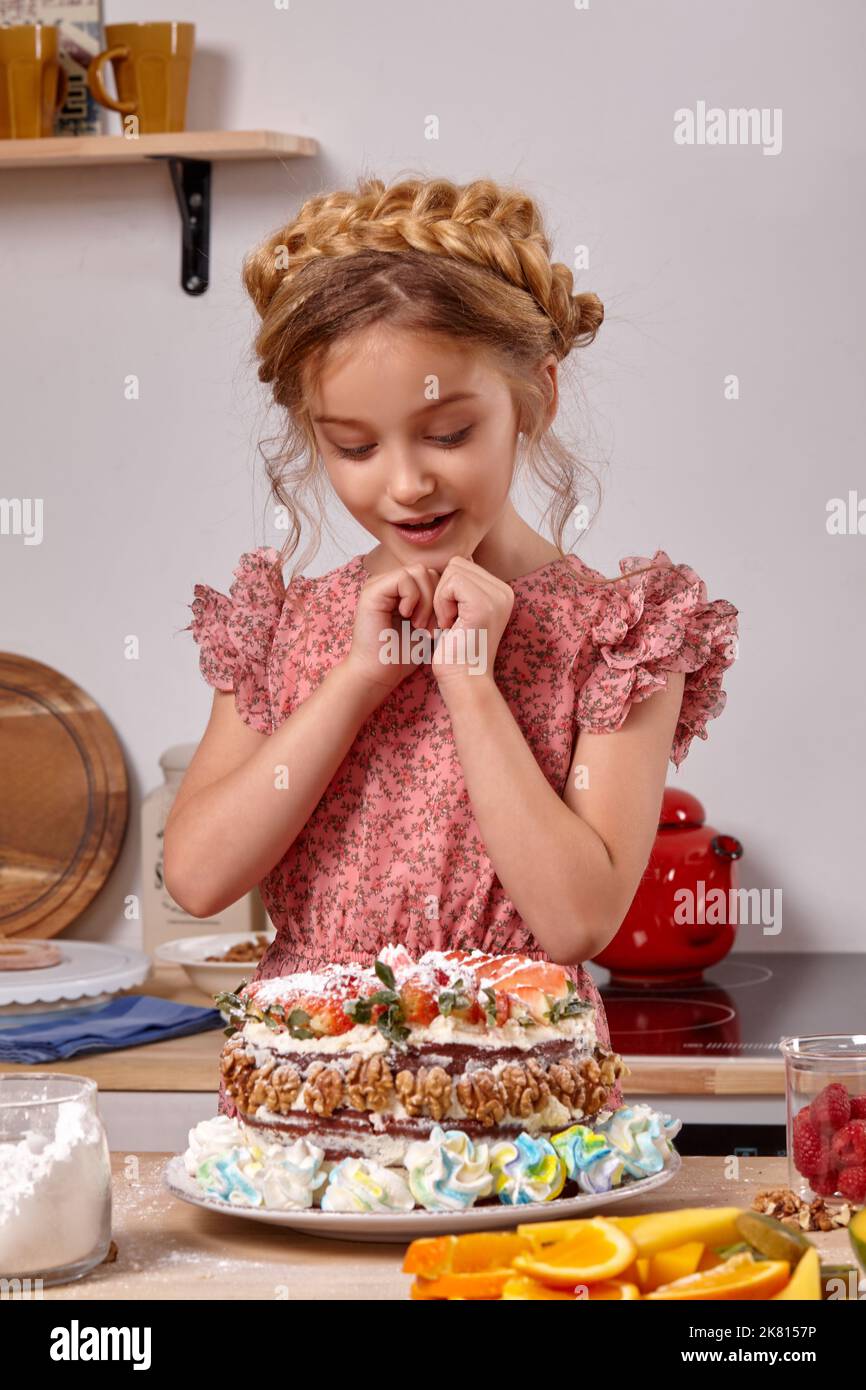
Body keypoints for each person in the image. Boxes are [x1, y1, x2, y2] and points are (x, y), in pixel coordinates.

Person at [164, 174, 739, 1119]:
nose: (405, 484)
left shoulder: (621, 637)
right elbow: (197, 876)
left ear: (535, 398)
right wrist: (356, 679)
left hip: (521, 1126)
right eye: (353, 448)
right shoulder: (288, 627)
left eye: (448, 432)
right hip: (302, 1118)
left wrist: (469, 681)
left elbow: (576, 918)